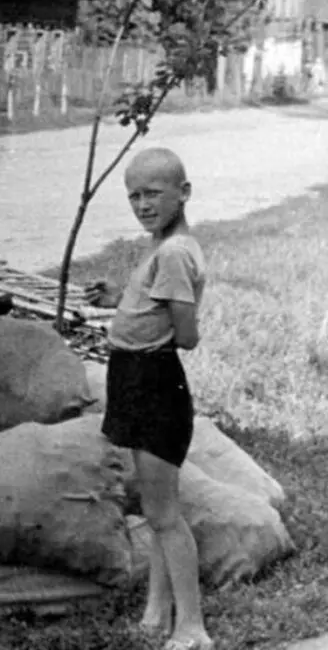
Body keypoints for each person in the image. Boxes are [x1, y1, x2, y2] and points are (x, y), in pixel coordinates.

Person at [85, 147, 213, 650]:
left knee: (163, 515)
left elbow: (186, 334)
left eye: (153, 193)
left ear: (183, 193)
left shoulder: (176, 252)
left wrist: (150, 327)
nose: (142, 204)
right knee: (159, 509)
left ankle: (192, 627)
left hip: (155, 383)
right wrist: (122, 298)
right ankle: (159, 613)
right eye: (133, 195)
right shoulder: (164, 247)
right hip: (139, 381)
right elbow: (155, 303)